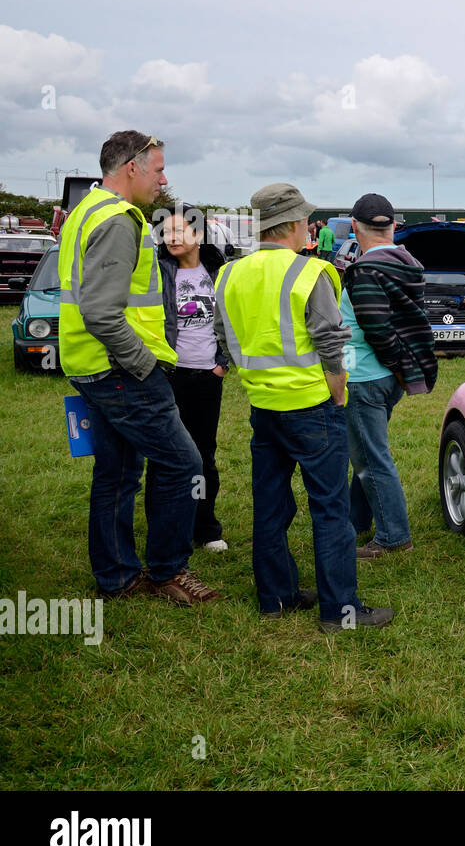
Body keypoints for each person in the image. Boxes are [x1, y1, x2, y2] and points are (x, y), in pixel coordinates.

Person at [215, 182, 393, 631]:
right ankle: (340, 611)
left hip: (263, 406)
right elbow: (331, 343)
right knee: (330, 509)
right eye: (307, 221)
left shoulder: (229, 273)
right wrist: (337, 394)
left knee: (270, 506)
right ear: (294, 224)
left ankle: (276, 597)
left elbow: (224, 337)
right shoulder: (312, 273)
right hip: (313, 407)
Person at [58, 131, 214, 604]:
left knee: (119, 471)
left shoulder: (85, 209)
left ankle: (119, 578)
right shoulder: (118, 219)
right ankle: (169, 570)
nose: (163, 180)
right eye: (159, 169)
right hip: (121, 371)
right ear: (132, 168)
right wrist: (144, 364)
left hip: (90, 364)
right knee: (183, 464)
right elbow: (102, 312)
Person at [340, 193, 438, 559]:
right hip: (387, 376)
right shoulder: (407, 263)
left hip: (365, 375)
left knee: (371, 458)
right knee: (364, 450)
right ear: (393, 226)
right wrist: (400, 371)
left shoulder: (365, 271)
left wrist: (396, 366)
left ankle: (394, 536)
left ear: (354, 227)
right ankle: (356, 519)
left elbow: (378, 329)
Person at [149, 202, 230, 553]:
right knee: (164, 454)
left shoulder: (220, 270)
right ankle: (165, 525)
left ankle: (205, 526)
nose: (171, 237)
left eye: (180, 230)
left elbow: (234, 319)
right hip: (168, 376)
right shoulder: (157, 270)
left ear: (198, 234)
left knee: (203, 454)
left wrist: (223, 363)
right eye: (166, 231)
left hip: (207, 377)